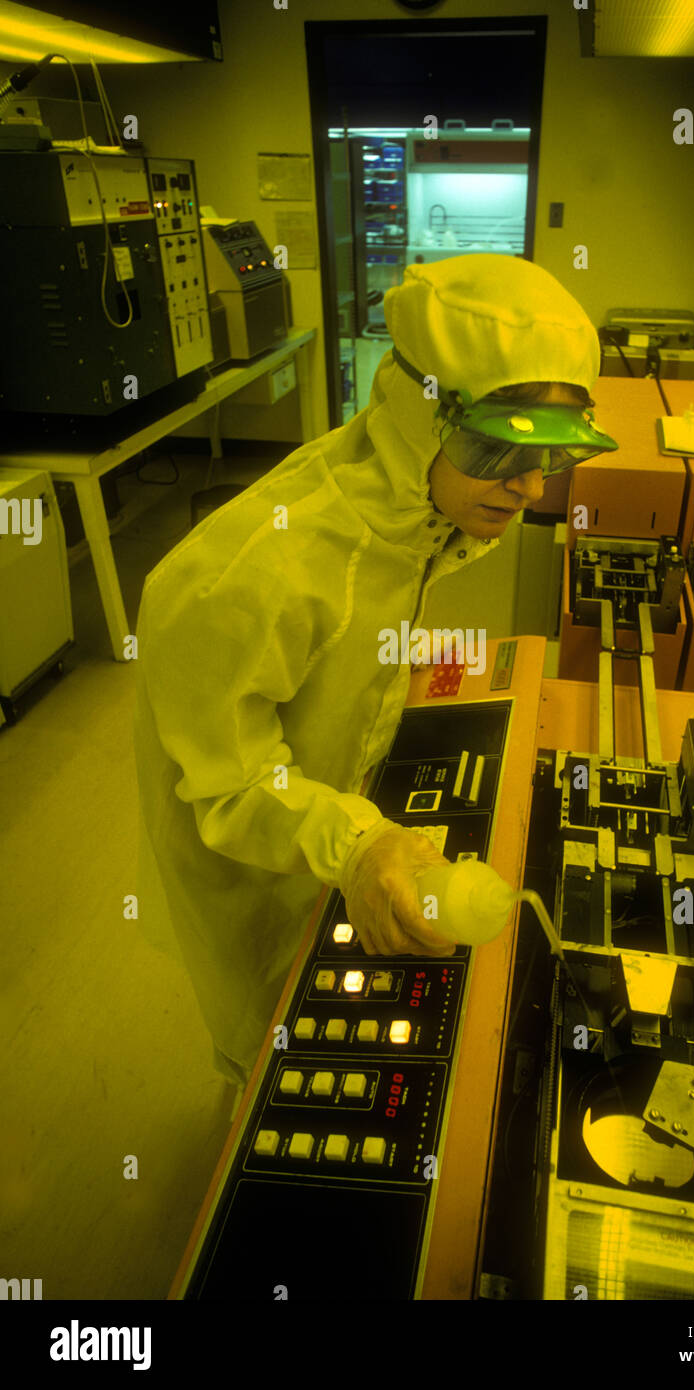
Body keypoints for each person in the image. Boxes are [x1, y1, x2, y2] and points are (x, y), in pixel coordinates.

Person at [133, 253, 617, 1087]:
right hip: (250, 858)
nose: (533, 488)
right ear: (422, 415)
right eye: (501, 451)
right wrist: (356, 847)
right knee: (268, 1038)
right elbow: (228, 785)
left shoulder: (404, 500)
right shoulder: (249, 574)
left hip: (330, 795)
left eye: (553, 455)